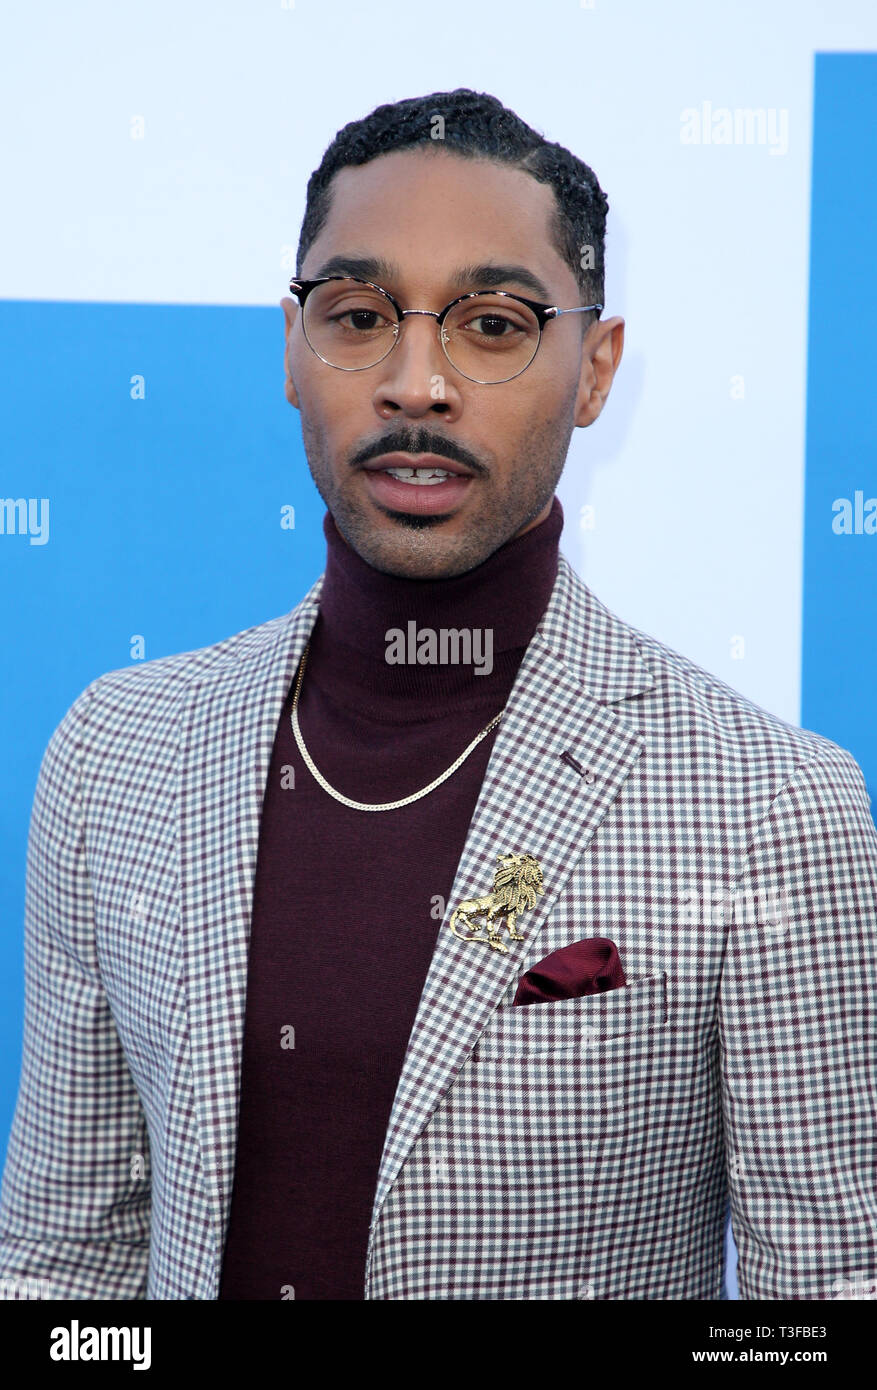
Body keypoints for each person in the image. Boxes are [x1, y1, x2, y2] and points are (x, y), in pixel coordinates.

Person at [1, 88, 875, 1302]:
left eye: (494, 325)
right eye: (359, 316)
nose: (417, 382)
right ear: (294, 352)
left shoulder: (772, 807)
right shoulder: (116, 755)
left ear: (595, 369)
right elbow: (61, 1269)